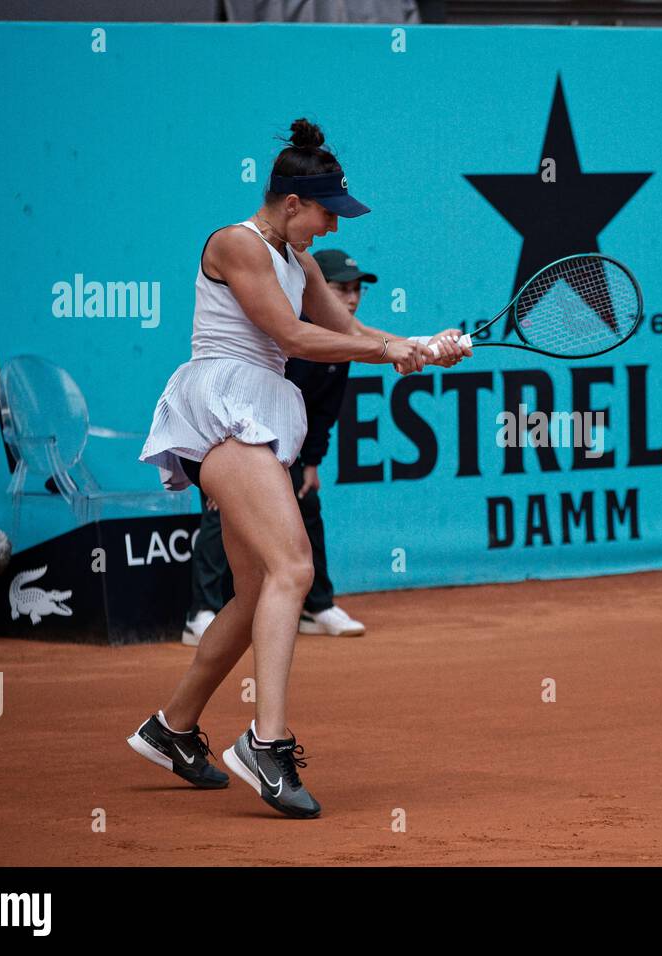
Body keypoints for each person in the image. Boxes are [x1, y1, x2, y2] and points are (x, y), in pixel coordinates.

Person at [127, 118, 470, 818]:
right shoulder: (235, 243)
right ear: (290, 202)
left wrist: (421, 345)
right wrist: (388, 352)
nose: (328, 227)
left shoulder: (301, 260)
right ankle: (267, 743)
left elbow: (345, 333)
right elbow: (290, 336)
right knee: (295, 570)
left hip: (258, 412)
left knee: (257, 594)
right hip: (223, 408)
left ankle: (173, 728)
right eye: (324, 213)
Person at [182, 248, 381, 645]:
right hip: (244, 435)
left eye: (357, 289)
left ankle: (318, 606)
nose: (353, 298)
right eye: (342, 288)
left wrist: (311, 464)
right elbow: (251, 394)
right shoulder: (290, 331)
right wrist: (228, 457)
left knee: (308, 506)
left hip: (290, 444)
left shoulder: (339, 338)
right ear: (316, 288)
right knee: (222, 515)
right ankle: (200, 613)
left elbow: (324, 409)